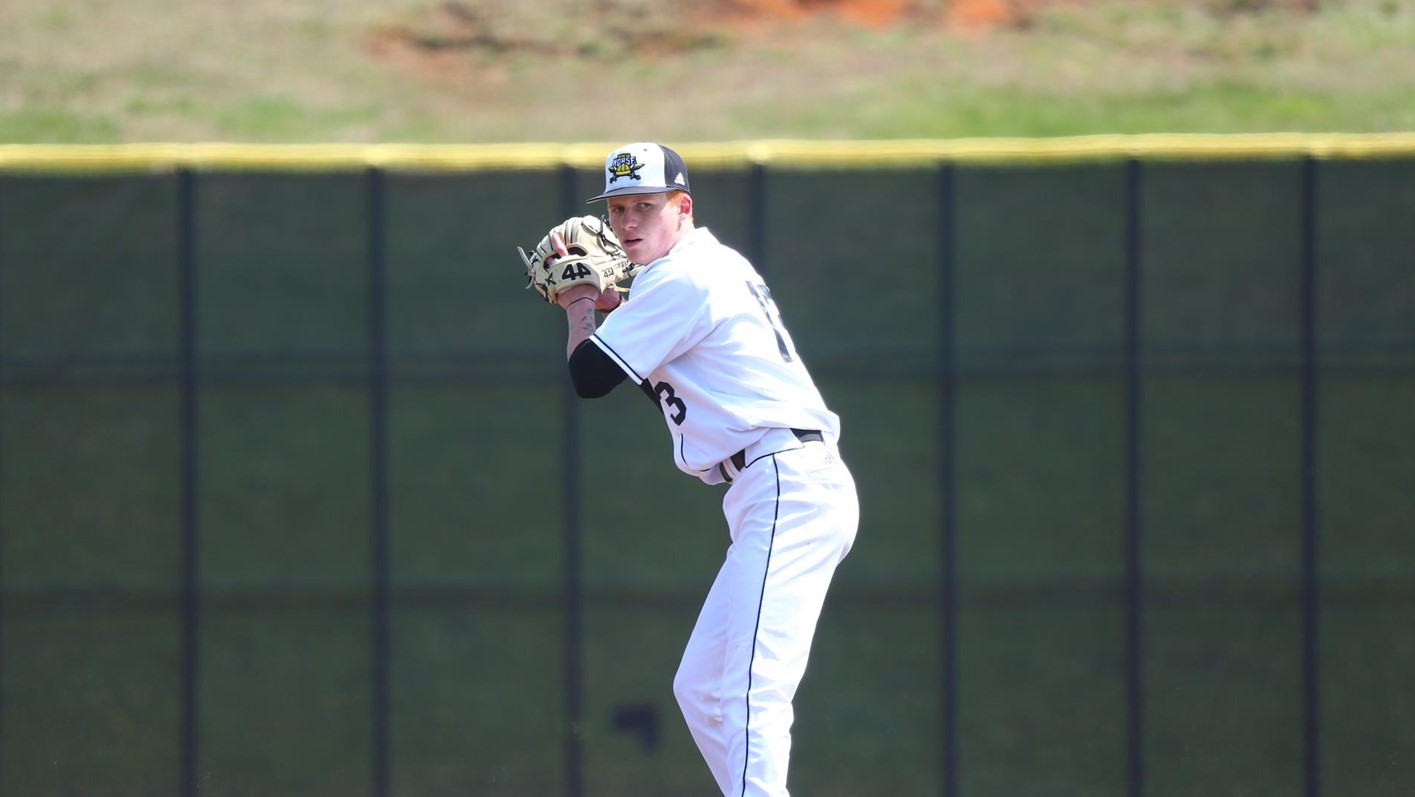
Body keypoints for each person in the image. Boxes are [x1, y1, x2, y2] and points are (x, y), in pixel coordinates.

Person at [548, 142, 859, 797]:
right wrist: (609, 307)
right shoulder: (697, 270)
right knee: (702, 688)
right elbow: (651, 374)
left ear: (680, 207)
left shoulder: (681, 277)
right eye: (618, 208)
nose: (628, 221)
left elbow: (589, 376)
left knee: (748, 686)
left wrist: (579, 300)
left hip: (785, 482)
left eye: (645, 206)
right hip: (773, 483)